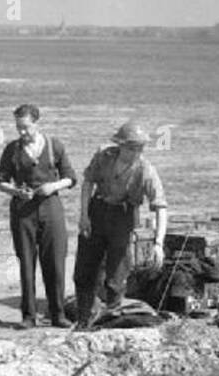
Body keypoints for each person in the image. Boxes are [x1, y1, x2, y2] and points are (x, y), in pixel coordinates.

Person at [72, 120, 168, 330]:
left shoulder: (146, 171)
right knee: (84, 271)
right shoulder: (103, 156)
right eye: (131, 147)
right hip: (97, 211)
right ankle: (83, 320)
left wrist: (158, 243)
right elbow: (88, 182)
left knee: (117, 274)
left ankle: (112, 321)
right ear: (120, 145)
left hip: (122, 218)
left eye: (139, 148)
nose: (135, 152)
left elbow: (161, 207)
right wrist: (84, 215)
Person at [0, 104, 77, 328]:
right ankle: (29, 316)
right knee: (26, 262)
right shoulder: (12, 149)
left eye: (26, 128)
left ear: (37, 123)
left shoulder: (53, 146)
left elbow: (71, 177)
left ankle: (57, 313)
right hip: (23, 211)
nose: (22, 132)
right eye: (18, 128)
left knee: (56, 262)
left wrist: (53, 186)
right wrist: (15, 191)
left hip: (51, 207)